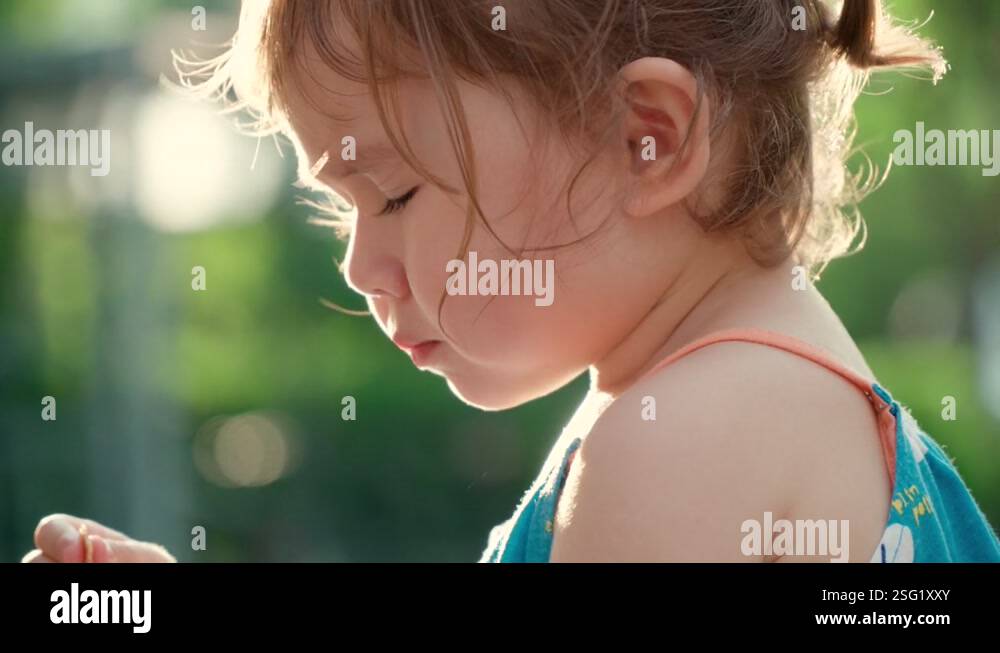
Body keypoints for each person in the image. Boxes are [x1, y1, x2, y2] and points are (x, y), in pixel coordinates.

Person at [23, 0, 1000, 563]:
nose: (359, 265)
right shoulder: (722, 406)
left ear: (643, 137)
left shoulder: (694, 440)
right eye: (342, 206)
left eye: (394, 194)